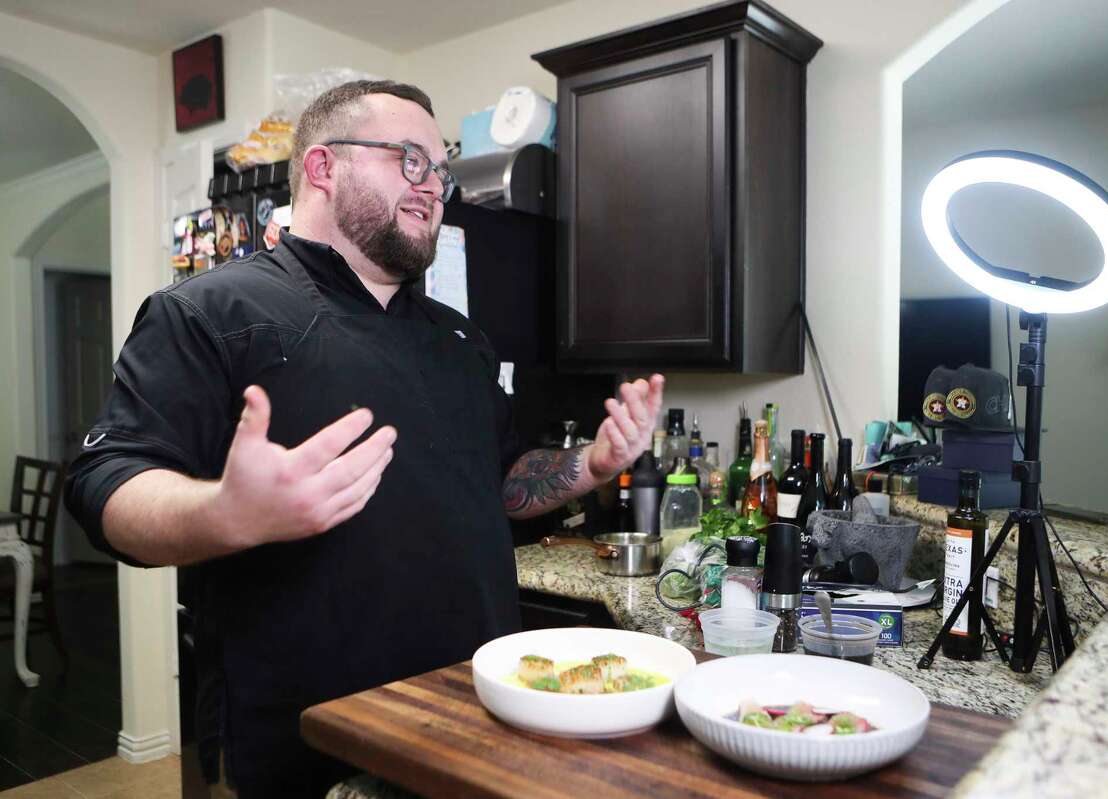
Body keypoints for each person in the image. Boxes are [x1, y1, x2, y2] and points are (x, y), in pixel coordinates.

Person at [64, 80, 664, 798]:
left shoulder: (459, 338)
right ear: (323, 167)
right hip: (310, 743)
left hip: (470, 717)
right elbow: (106, 481)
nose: (433, 188)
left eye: (439, 170)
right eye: (408, 160)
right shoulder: (208, 311)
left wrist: (591, 464)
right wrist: (225, 513)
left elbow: (504, 480)